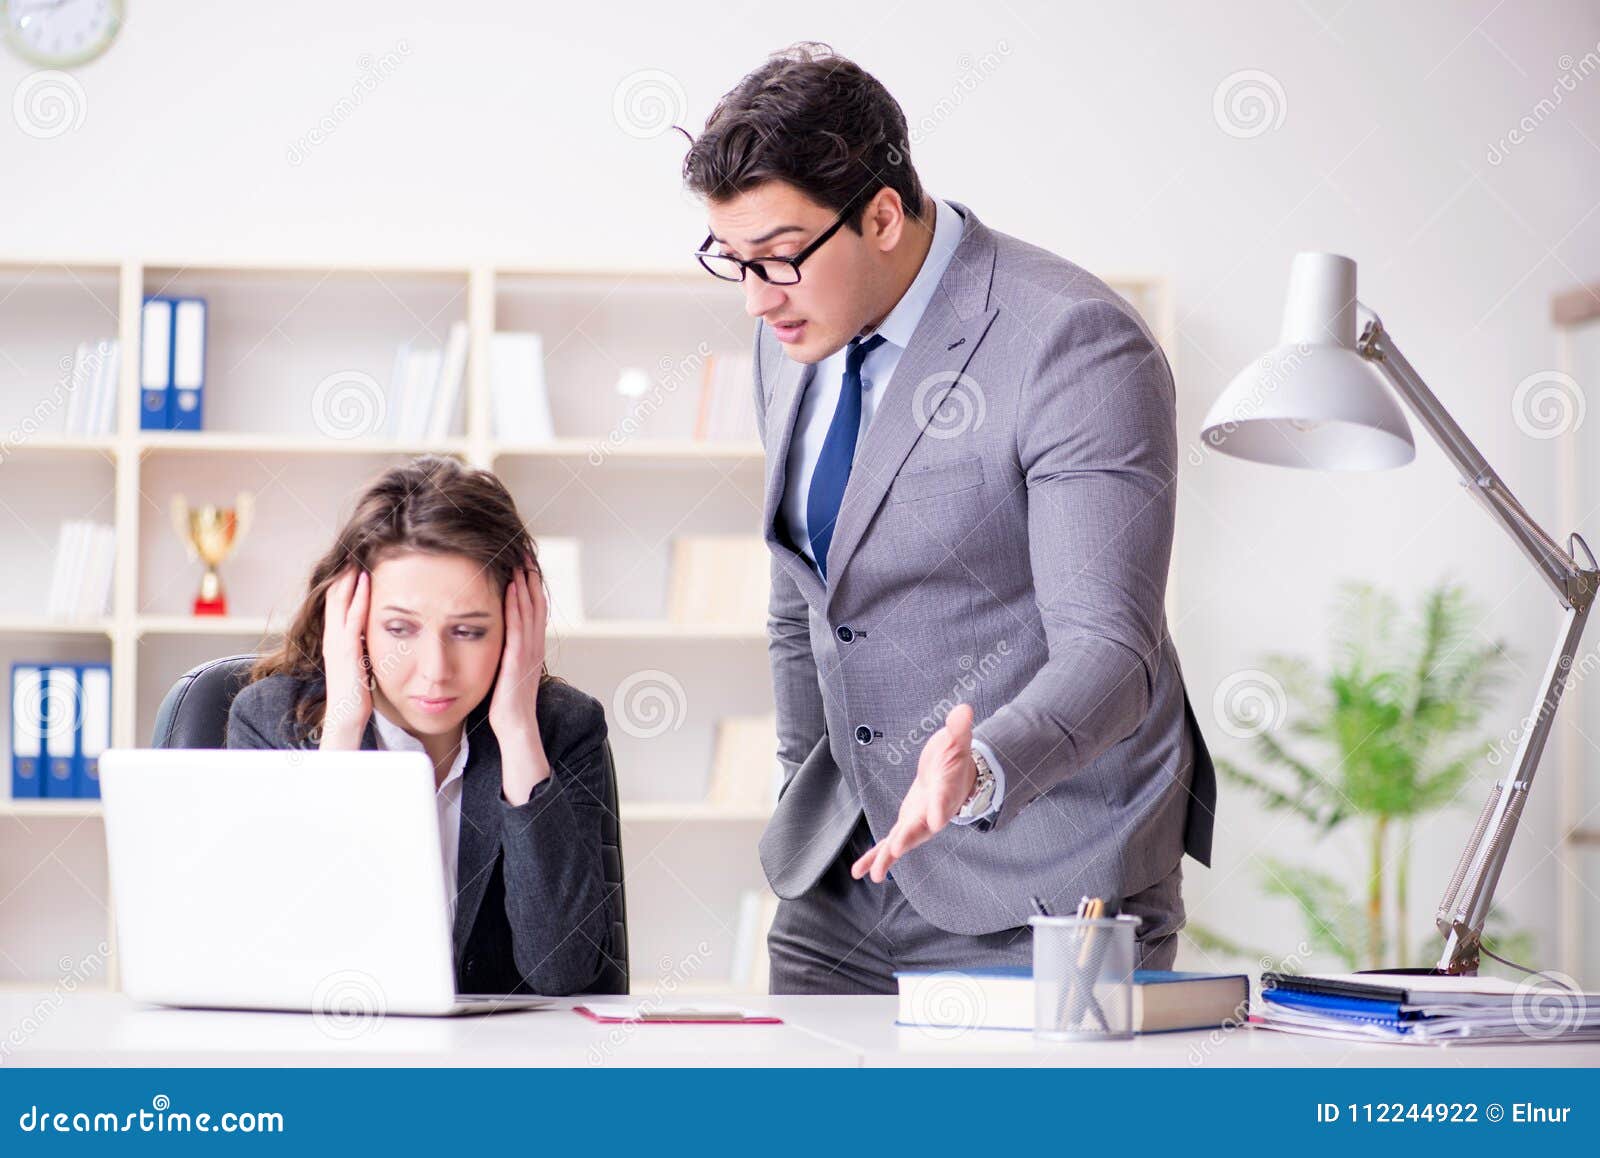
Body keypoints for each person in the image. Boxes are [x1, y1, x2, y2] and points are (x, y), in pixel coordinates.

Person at [682, 44, 1217, 993]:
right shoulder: (794, 335)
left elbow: (1111, 653)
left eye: (780, 258)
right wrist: (804, 790)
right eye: (736, 261)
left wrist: (979, 773)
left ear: (882, 214)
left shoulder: (1071, 340)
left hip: (1045, 879)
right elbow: (804, 599)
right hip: (840, 876)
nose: (759, 296)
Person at [225, 455, 618, 996]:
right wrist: (342, 735)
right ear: (353, 622)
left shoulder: (560, 728)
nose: (434, 671)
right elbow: (288, 955)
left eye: (468, 631)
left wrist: (517, 732)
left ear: (515, 623)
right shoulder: (271, 723)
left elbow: (562, 971)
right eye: (399, 628)